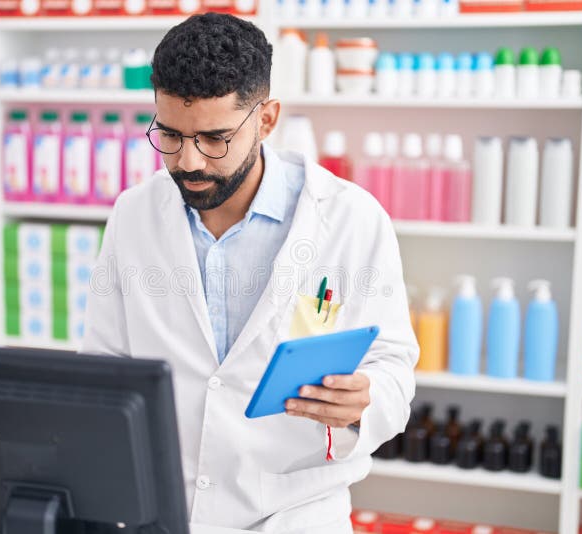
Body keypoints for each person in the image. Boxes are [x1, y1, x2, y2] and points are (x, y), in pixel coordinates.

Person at [82, 13, 418, 533]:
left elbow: (393, 365)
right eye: (170, 135)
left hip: (293, 514)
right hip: (162, 510)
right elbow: (104, 366)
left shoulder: (350, 218)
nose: (189, 162)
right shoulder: (134, 214)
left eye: (214, 138)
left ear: (266, 120)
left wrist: (361, 401)